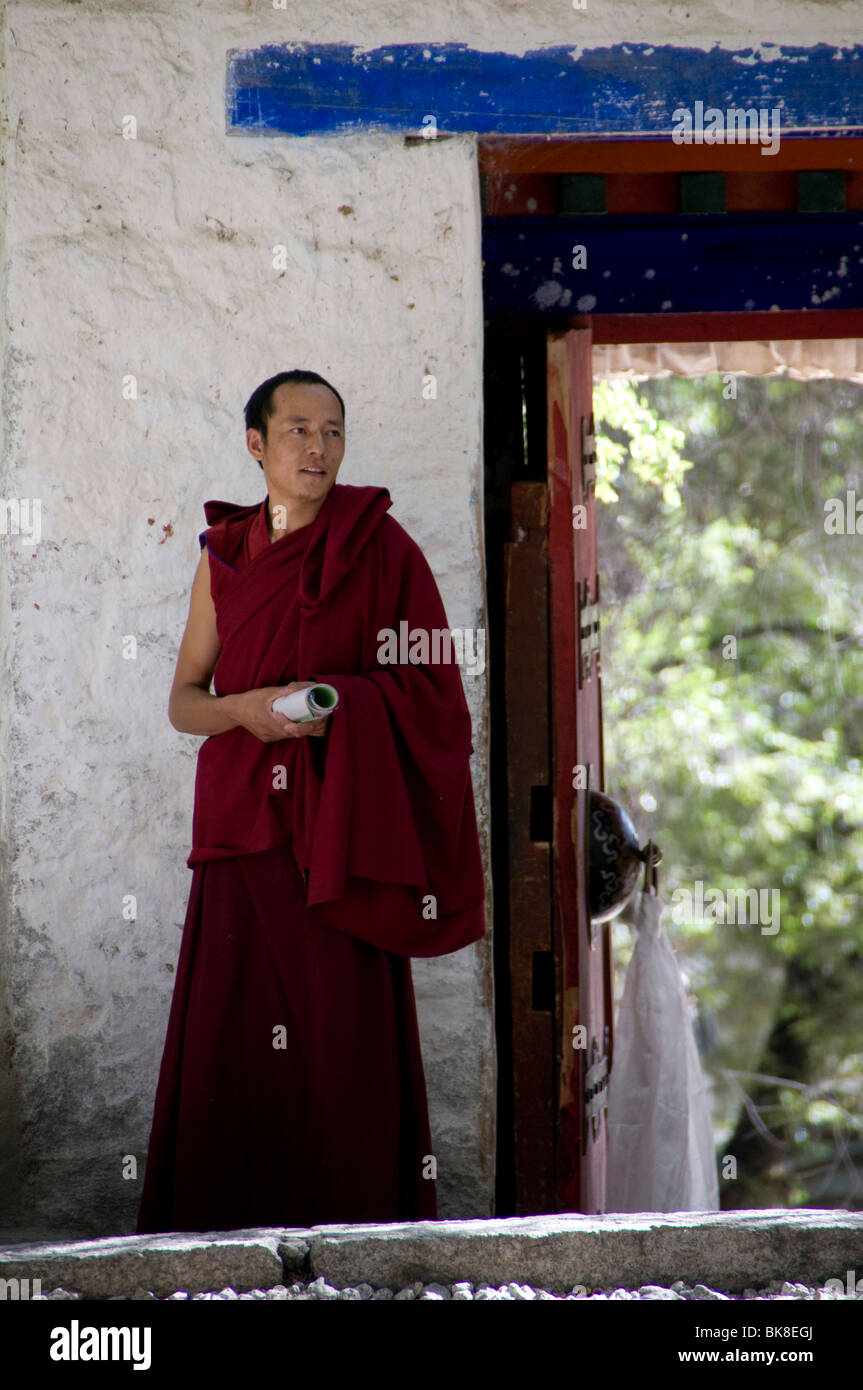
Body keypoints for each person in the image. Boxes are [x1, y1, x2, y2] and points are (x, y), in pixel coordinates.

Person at [136, 370, 485, 1234]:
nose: (318, 448)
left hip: (340, 832)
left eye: (332, 431)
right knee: (233, 1029)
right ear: (256, 445)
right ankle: (217, 1236)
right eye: (297, 429)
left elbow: (437, 699)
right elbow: (184, 702)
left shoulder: (382, 548)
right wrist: (246, 711)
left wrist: (347, 704)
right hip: (243, 824)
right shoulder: (225, 556)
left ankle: (358, 1233)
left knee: (339, 1034)